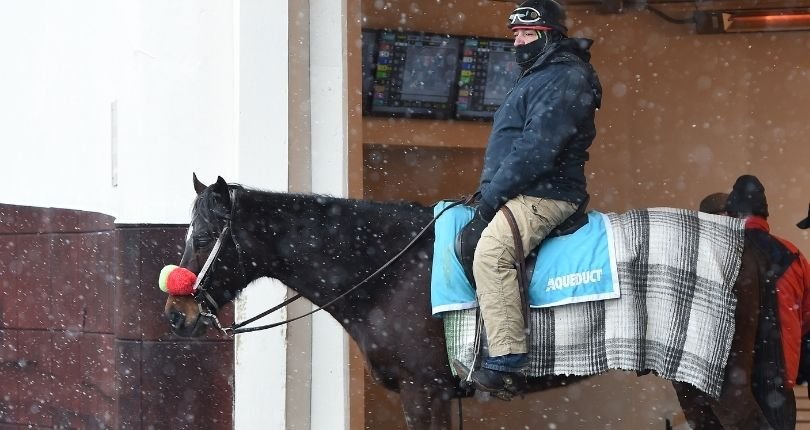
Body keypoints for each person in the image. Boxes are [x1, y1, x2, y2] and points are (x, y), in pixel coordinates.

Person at [460, 0, 602, 393]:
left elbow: (536, 150)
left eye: (526, 34)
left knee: (491, 254)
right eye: (516, 35)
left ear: (548, 36)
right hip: (523, 189)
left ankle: (506, 357)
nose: (518, 42)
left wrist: (491, 200)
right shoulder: (539, 75)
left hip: (546, 193)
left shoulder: (563, 77)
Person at [725, 175, 810, 429]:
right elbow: (807, 319)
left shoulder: (720, 252)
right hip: (778, 382)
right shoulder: (793, 256)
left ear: (731, 213)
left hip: (728, 385)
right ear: (765, 215)